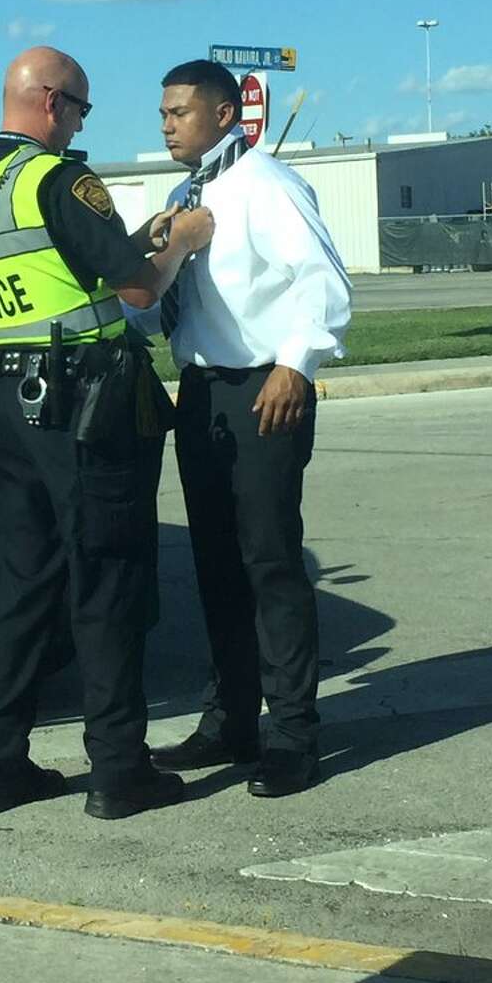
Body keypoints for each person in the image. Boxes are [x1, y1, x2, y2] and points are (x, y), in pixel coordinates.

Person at [0, 46, 213, 820]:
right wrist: (182, 241)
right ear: (54, 102)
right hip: (81, 400)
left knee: (22, 580)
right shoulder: (62, 180)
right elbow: (136, 288)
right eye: (82, 110)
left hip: (2, 397)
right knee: (108, 576)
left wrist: (137, 238)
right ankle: (119, 770)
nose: (82, 126)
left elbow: (48, 275)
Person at [149, 59, 351, 797]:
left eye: (179, 112)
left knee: (270, 562)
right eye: (163, 113)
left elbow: (321, 280)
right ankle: (230, 720)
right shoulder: (185, 197)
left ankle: (292, 733)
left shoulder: (267, 184)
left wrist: (296, 365)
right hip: (201, 391)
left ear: (225, 114)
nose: (166, 125)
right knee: (216, 564)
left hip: (263, 388)